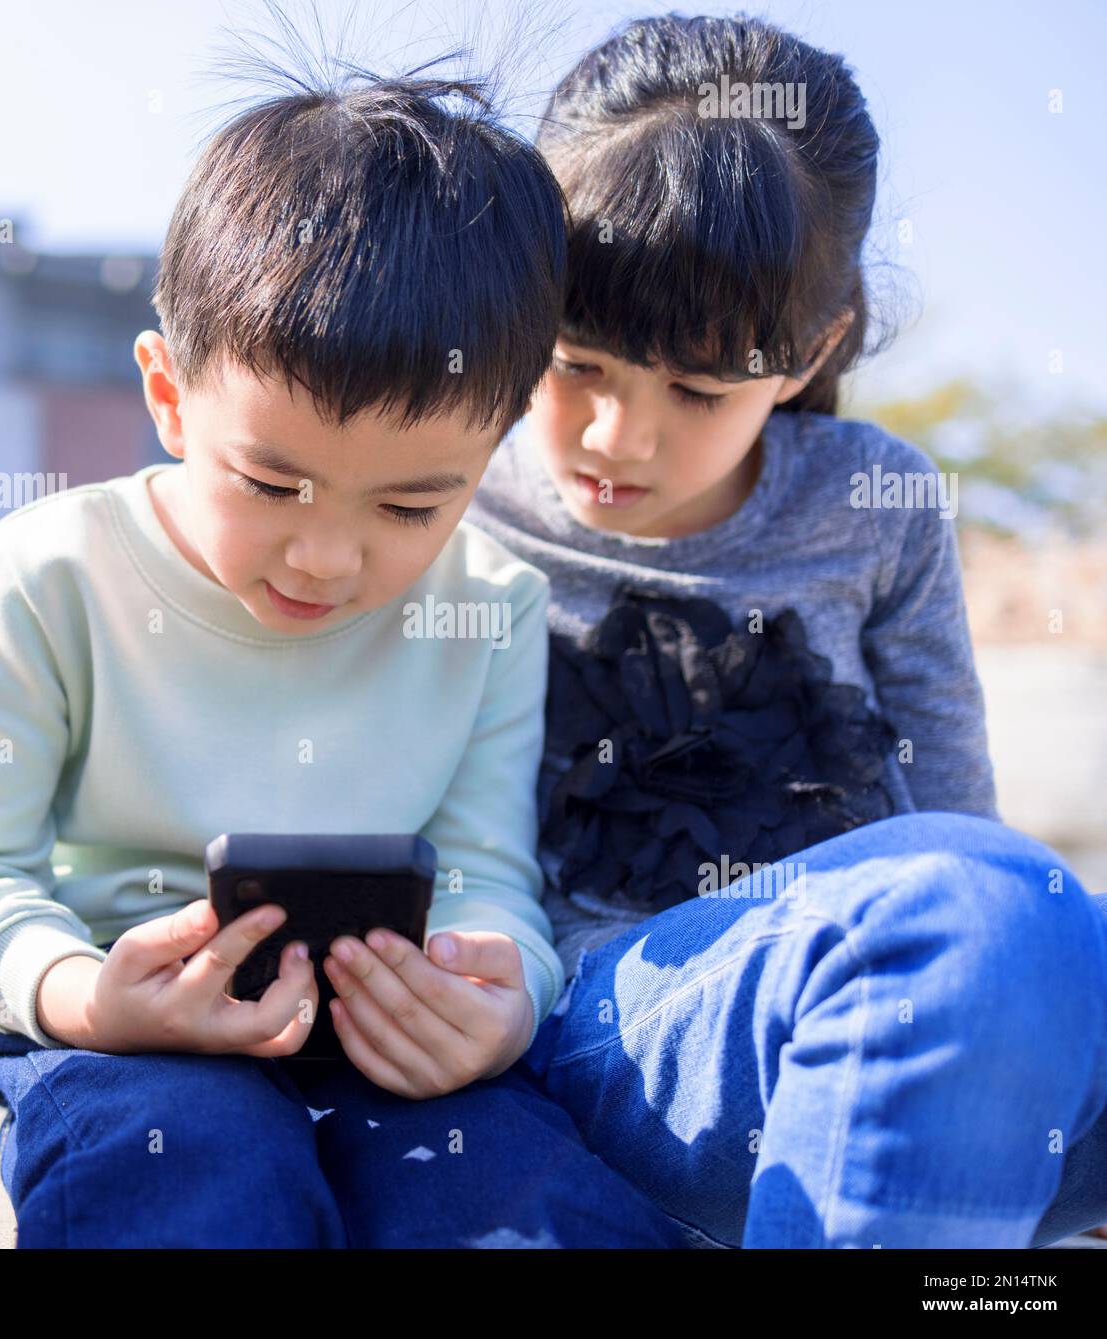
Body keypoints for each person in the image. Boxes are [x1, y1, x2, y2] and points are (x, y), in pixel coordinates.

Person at [0, 56, 691, 1250]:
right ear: (169, 395)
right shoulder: (50, 570)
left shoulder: (490, 606)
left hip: (384, 1048)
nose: (325, 557)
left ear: (497, 445)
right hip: (128, 1037)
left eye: (413, 507)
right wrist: (81, 992)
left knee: (528, 1202)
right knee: (197, 1180)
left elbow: (483, 869)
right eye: (271, 482)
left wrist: (504, 999)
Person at [443, 11, 1107, 1247]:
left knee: (1007, 911)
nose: (614, 437)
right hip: (609, 1027)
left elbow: (959, 825)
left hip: (898, 1001)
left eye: (696, 391)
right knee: (978, 910)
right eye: (577, 362)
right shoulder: (442, 487)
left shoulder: (874, 502)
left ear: (813, 351)